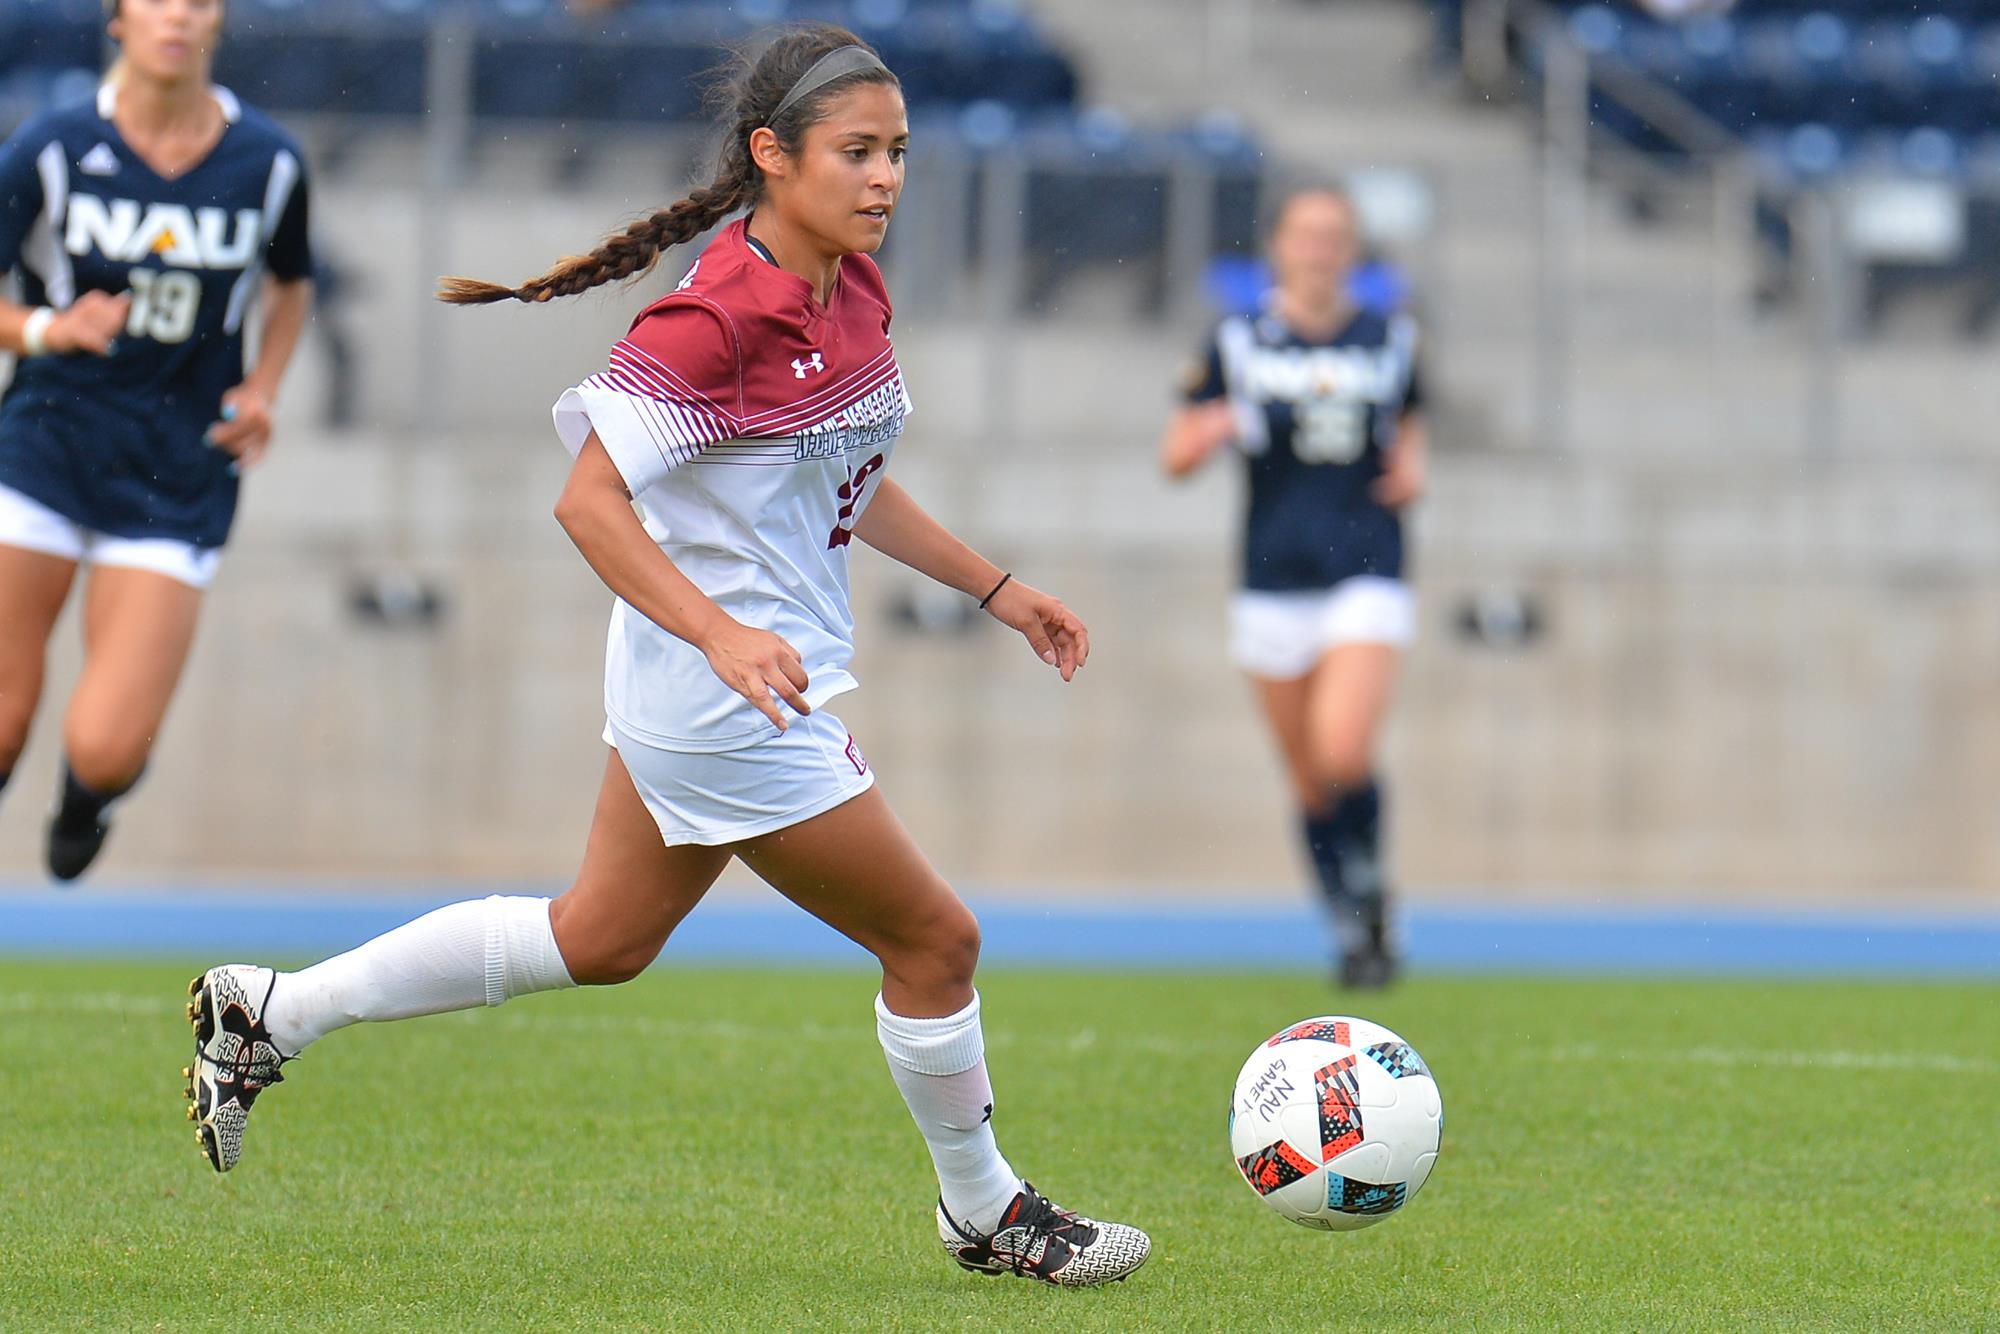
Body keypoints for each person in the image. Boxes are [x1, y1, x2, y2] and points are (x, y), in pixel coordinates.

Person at [181, 26, 1149, 1288]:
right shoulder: (711, 316)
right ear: (772, 155)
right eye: (856, 153)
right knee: (935, 942)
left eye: (897, 151)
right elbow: (588, 502)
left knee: (600, 936)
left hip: (724, 681)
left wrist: (998, 588)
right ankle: (985, 1209)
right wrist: (720, 630)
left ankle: (270, 1011)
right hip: (724, 697)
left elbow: (836, 482)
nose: (885, 178)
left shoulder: (851, 288)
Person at [0, 0, 314, 881]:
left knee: (104, 746)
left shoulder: (270, 160)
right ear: (116, 18)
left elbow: (291, 285)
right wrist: (44, 331)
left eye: (200, 0)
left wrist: (265, 388)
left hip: (176, 471)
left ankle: (87, 798)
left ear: (217, 20)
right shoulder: (53, 147)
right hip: (45, 448)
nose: (177, 14)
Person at [1159, 186, 1426, 989]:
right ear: (1277, 246)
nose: (1320, 249)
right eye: (1306, 235)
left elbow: (1408, 431)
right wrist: (1207, 431)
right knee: (1309, 776)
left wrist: (1413, 471)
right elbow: (1174, 454)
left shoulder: (1391, 337)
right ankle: (1350, 927)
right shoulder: (1239, 340)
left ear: (1353, 248)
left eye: (1335, 235)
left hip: (1366, 566)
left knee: (1344, 750)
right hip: (1273, 576)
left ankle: (1372, 883)